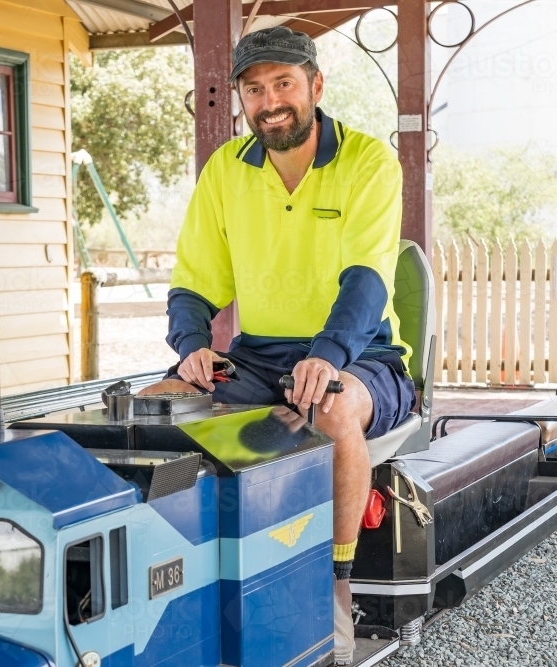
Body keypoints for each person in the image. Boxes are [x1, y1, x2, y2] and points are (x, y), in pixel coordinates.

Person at [139, 26, 415, 665]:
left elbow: (366, 280)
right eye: (255, 89)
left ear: (315, 86)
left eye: (284, 84)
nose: (270, 101)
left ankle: (335, 593)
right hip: (260, 354)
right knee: (159, 404)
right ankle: (184, 576)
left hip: (363, 350)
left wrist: (329, 355)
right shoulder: (226, 170)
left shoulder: (368, 161)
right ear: (241, 98)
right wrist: (190, 348)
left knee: (332, 409)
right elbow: (195, 281)